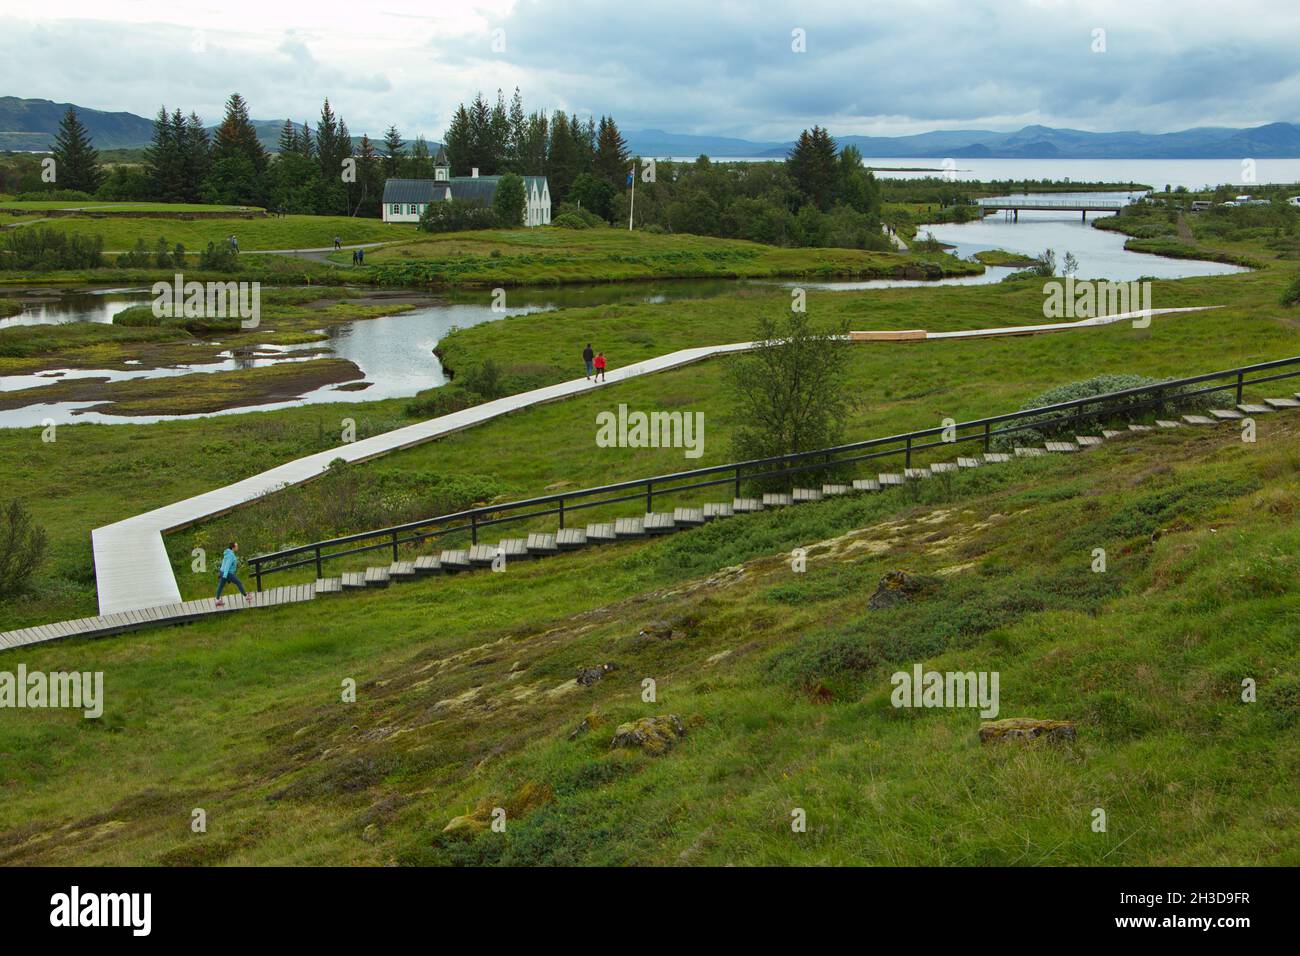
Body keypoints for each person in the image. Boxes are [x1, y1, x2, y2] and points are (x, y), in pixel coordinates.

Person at [215, 541, 250, 607]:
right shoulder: (231, 555)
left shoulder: (228, 553)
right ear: (233, 547)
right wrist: (225, 576)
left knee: (220, 585)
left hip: (223, 572)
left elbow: (224, 563)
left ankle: (217, 600)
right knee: (239, 583)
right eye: (237, 546)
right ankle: (246, 596)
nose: (237, 547)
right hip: (227, 573)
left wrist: (221, 573)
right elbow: (227, 565)